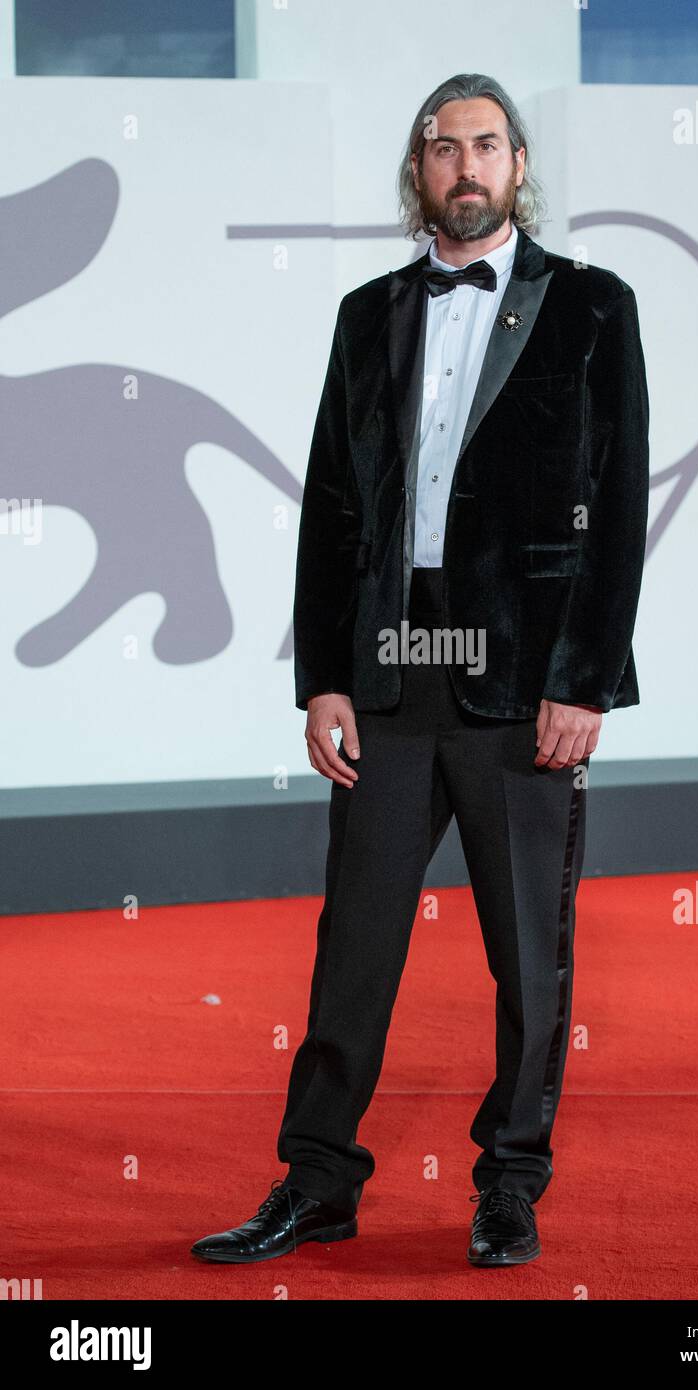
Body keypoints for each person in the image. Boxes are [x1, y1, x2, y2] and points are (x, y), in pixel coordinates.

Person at [191, 71, 649, 1269]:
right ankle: (318, 1179)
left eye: (484, 145)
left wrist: (584, 682)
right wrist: (322, 675)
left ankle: (508, 1183)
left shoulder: (594, 307)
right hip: (391, 671)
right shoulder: (366, 313)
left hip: (524, 682)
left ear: (517, 165)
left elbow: (619, 516)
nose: (463, 166)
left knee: (525, 957)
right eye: (440, 147)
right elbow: (331, 508)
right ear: (417, 172)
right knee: (355, 944)